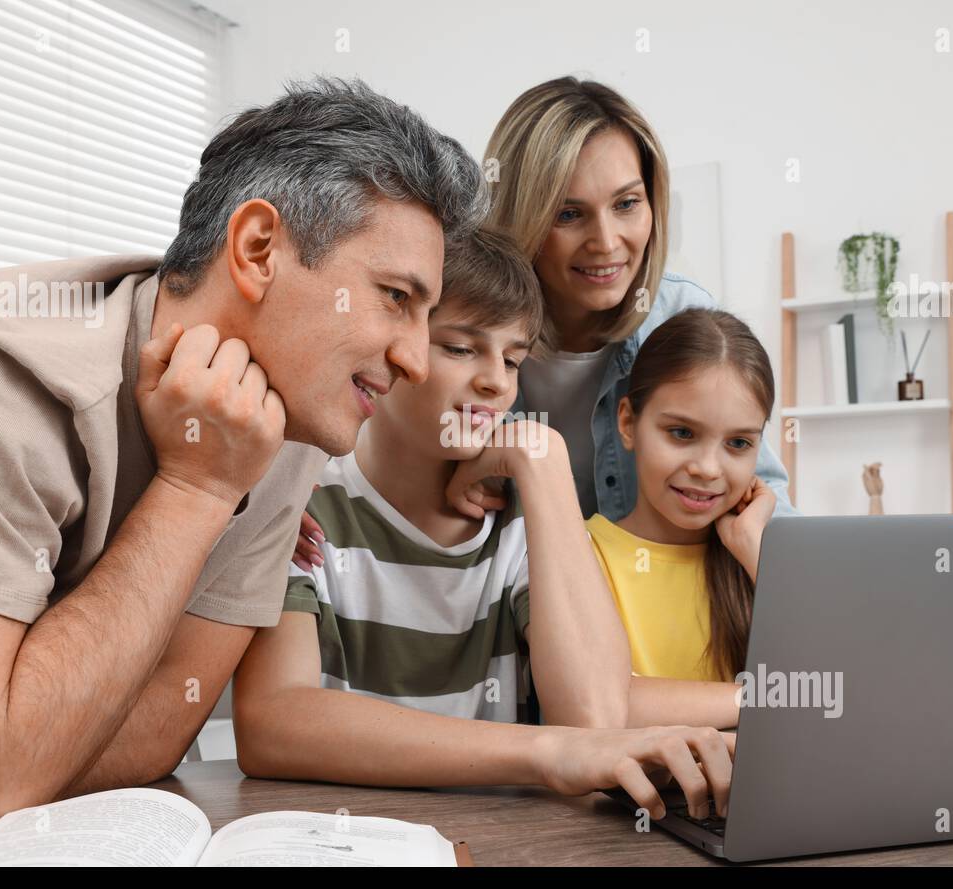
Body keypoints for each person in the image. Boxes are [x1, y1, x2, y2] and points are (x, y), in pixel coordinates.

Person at [0, 76, 487, 841]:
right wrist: (198, 486)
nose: (416, 358)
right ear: (257, 250)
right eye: (394, 297)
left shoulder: (284, 417)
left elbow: (160, 723)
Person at [233, 229, 735, 822]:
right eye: (461, 348)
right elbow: (273, 724)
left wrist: (543, 461)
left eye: (513, 358)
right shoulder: (308, 502)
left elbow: (596, 716)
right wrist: (547, 753)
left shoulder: (523, 524)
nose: (497, 381)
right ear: (396, 349)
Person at [293, 75, 795, 575]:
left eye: (626, 204)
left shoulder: (680, 320)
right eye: (570, 214)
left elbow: (761, 504)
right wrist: (280, 495)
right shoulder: (450, 307)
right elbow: (355, 400)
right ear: (524, 214)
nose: (606, 241)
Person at [592, 308, 778, 731]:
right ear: (627, 422)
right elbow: (604, 701)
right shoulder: (584, 553)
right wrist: (771, 699)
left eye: (738, 443)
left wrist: (754, 552)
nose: (708, 469)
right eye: (681, 433)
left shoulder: (760, 561)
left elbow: (833, 689)